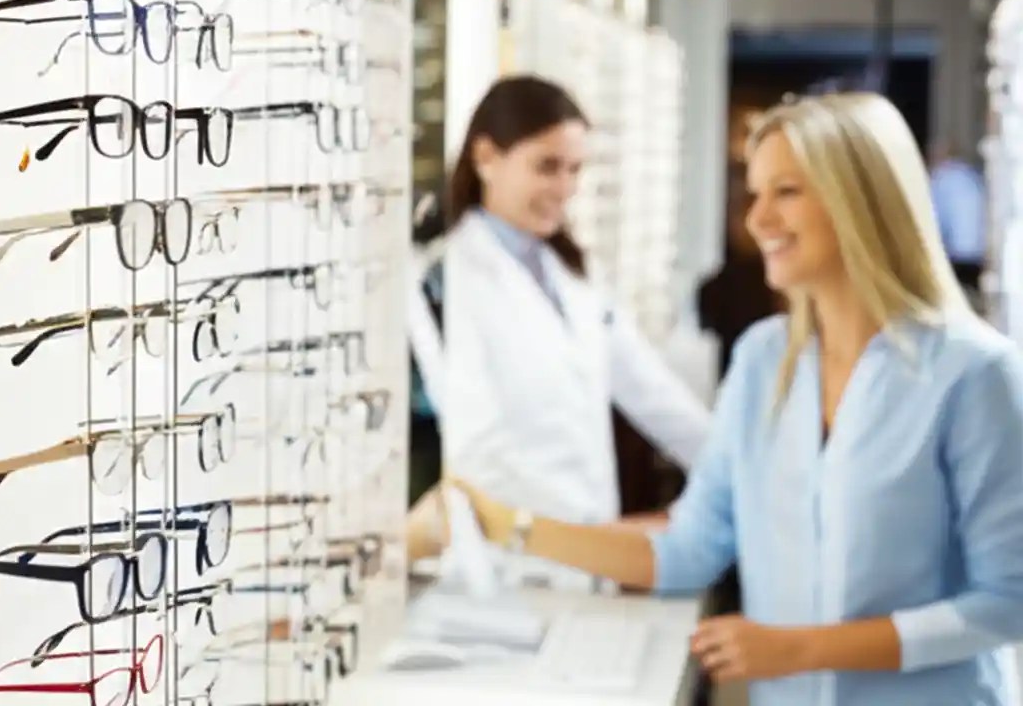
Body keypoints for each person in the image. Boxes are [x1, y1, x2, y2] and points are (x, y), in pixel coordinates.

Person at [436, 92, 1023, 705]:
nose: (757, 219)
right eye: (755, 191)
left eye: (787, 192)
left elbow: (1008, 602)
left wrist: (800, 648)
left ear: (861, 200)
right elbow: (689, 549)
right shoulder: (762, 362)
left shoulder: (973, 374)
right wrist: (504, 525)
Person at [406, 76, 712, 567]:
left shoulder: (574, 275)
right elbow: (474, 439)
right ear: (486, 158)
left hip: (590, 549)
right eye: (547, 167)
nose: (565, 188)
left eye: (575, 169)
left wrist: (737, 476)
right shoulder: (442, 281)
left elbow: (653, 395)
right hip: (505, 562)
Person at [928, 142, 988, 300]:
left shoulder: (940, 178)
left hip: (955, 254)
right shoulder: (973, 177)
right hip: (978, 253)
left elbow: (935, 219)